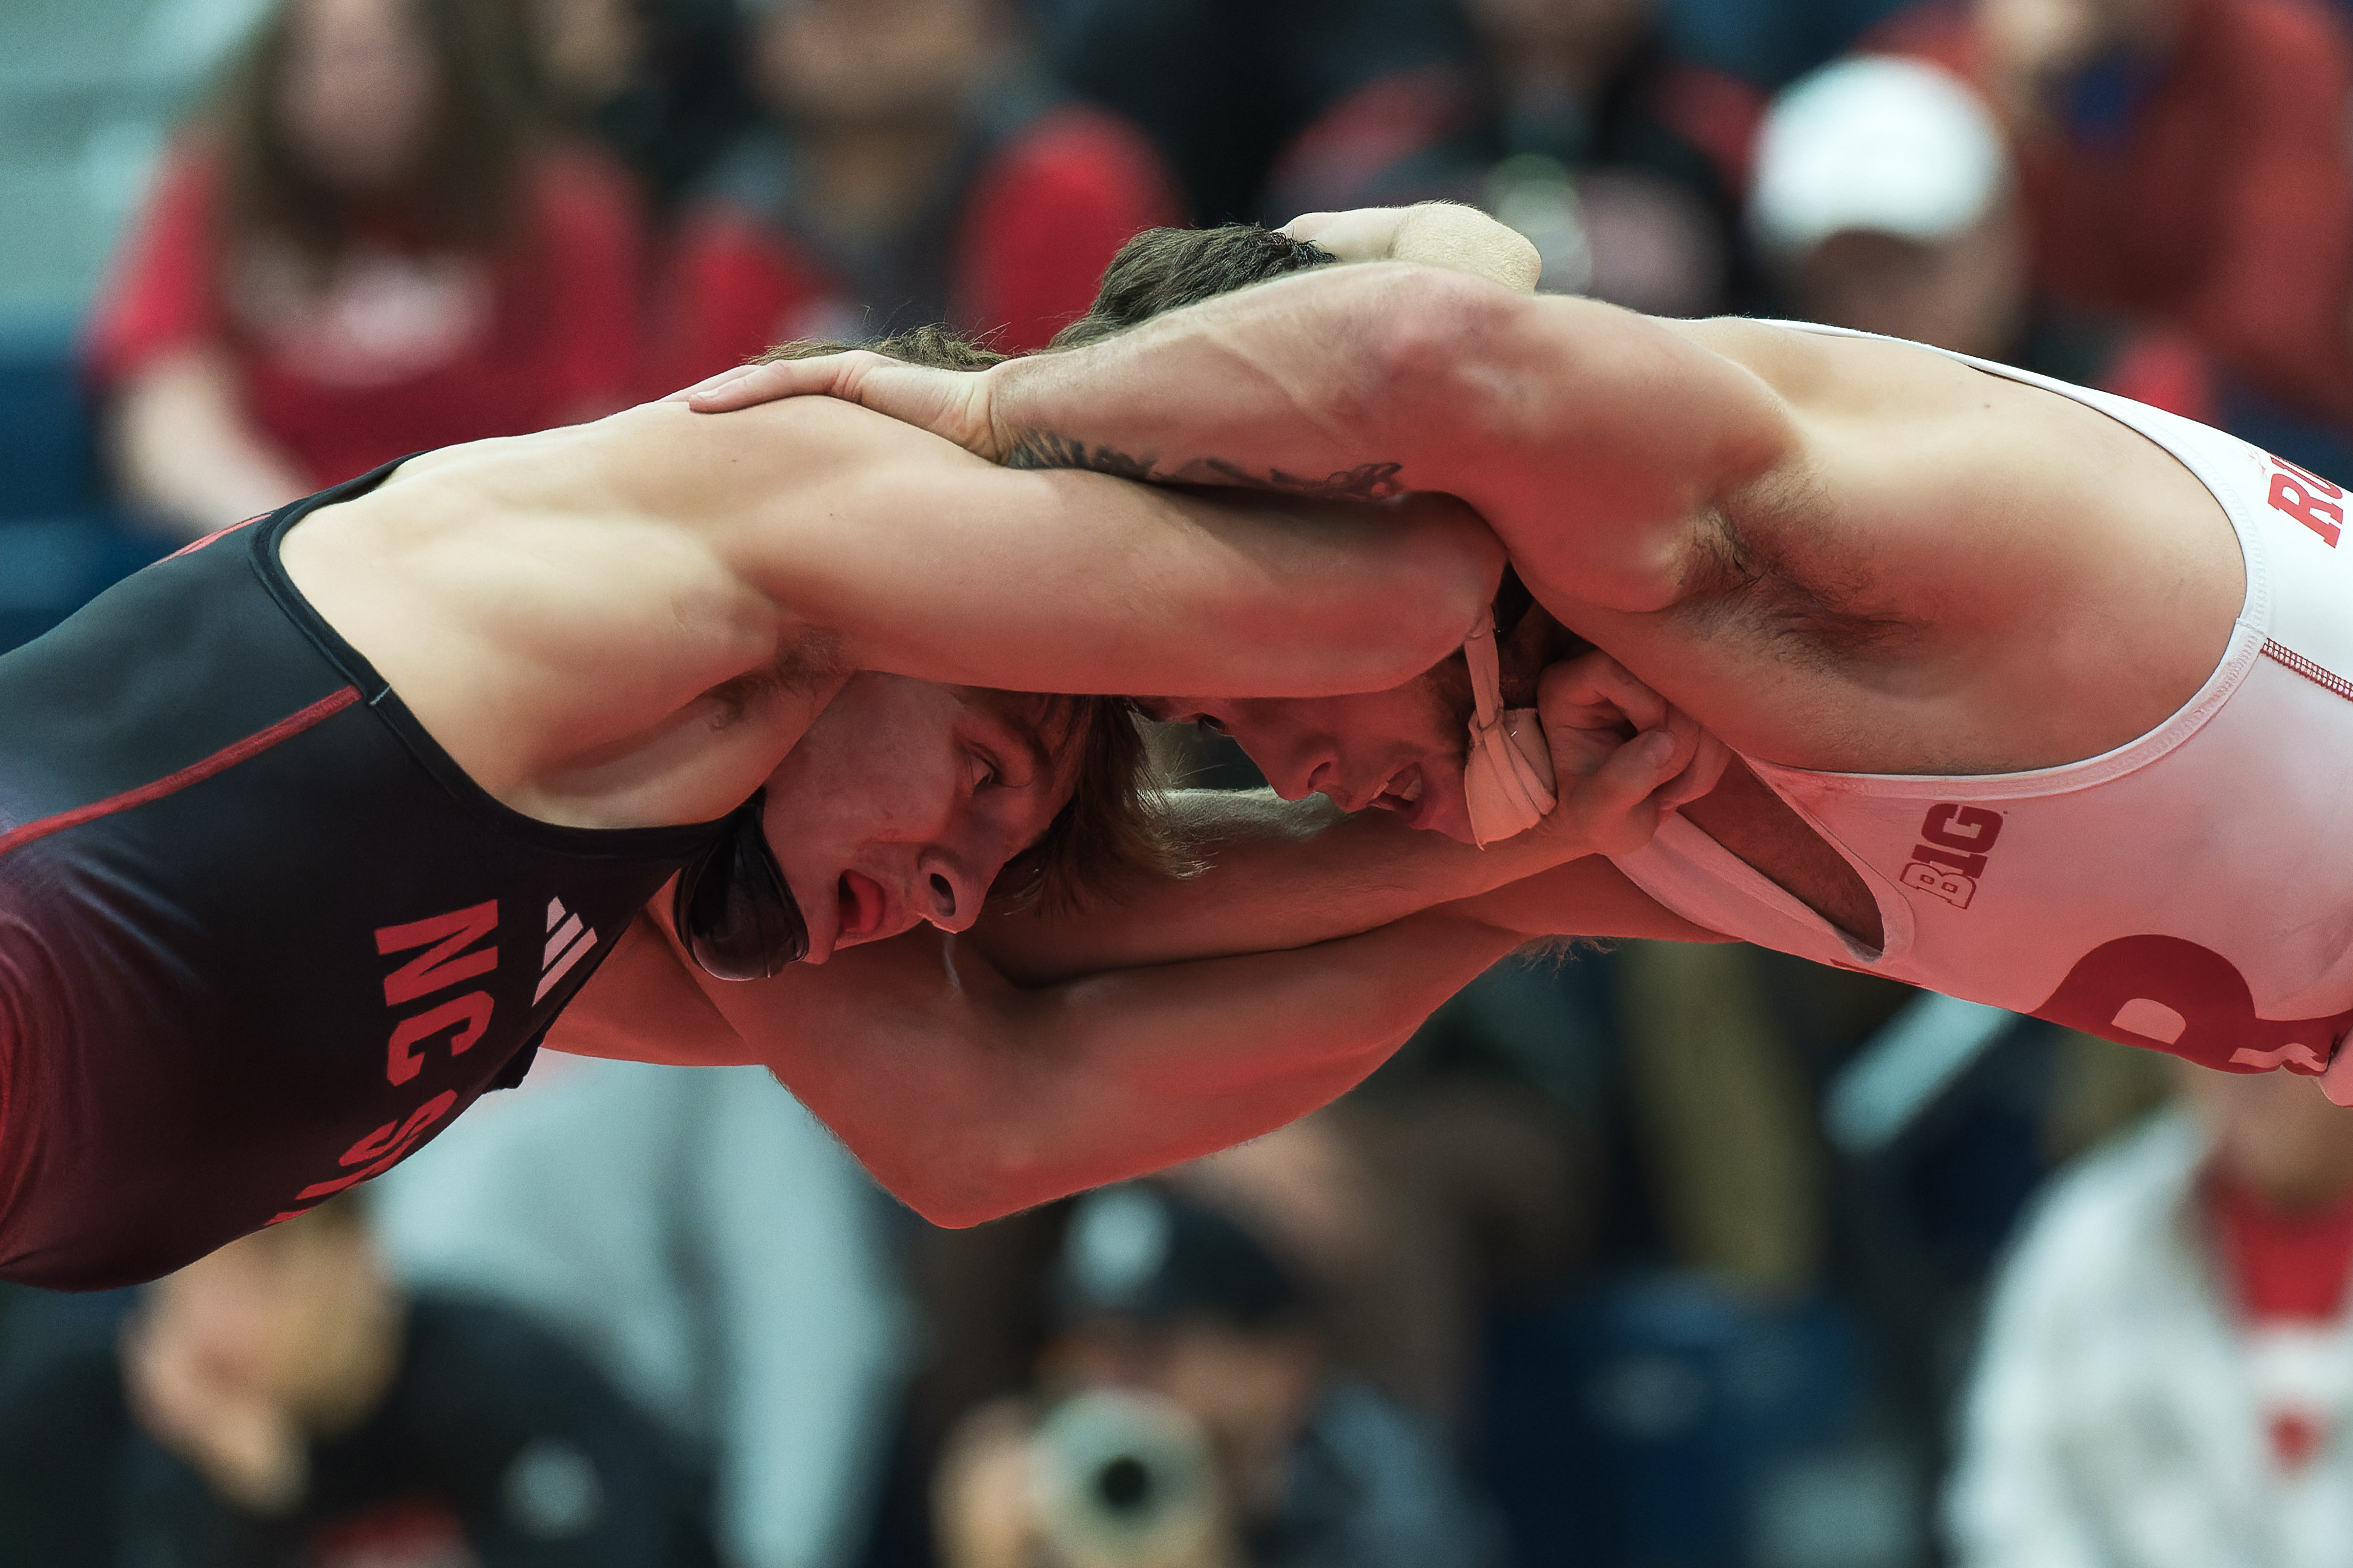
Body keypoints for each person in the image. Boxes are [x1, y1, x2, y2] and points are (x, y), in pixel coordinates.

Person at [1, 295, 1716, 1292]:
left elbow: (996, 1100)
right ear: (924, 597)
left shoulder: (644, 873)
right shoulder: (759, 493)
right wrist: (1013, 407)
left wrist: (1534, 864)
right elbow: (1408, 586)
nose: (957, 883)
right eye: (983, 774)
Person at [682, 198, 2353, 1209]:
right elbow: (1054, 965)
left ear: (1365, 522)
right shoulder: (1604, 782)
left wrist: (1002, 421)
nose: (1292, 771)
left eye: (1261, 687)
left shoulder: (1723, 531)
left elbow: (1431, 342)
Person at [88, 0, 647, 538]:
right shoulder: (218, 190)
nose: (334, 86)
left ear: (453, 60)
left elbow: (593, 429)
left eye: (367, 55)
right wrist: (295, 544)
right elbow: (167, 422)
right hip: (268, 547)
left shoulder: (564, 204)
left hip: (495, 548)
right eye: (308, 55)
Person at [0, 1195, 718, 1566]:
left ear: (357, 1252)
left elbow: (645, 1539)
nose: (215, 1314)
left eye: (262, 1264)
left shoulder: (501, 1371)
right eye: (187, 1273)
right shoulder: (97, 1419)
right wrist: (240, 1494)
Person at [650, 0, 1180, 390]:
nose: (859, 22)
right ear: (758, 45)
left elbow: (1102, 404)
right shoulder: (730, 238)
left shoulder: (1073, 184)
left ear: (994, 21)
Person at [1946, 1063, 2353, 1567]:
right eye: (2215, 1032)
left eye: (2285, 1033)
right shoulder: (2084, 1240)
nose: (2249, 1065)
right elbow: (2012, 1511)